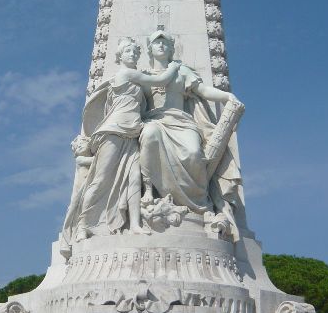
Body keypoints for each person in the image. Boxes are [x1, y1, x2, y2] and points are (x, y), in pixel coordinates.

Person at [61, 38, 180, 251]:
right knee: (100, 179)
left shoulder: (137, 82)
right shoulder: (124, 74)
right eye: (127, 51)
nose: (132, 54)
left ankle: (134, 224)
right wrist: (174, 66)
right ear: (119, 56)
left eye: (135, 51)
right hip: (114, 131)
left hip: (132, 133)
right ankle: (82, 225)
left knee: (134, 178)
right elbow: (161, 80)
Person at [139, 29, 242, 224]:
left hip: (182, 122)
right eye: (156, 43)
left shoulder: (181, 70)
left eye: (165, 43)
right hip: (155, 120)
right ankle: (148, 192)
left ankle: (198, 202)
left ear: (171, 49)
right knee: (149, 134)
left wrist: (227, 96)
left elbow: (202, 90)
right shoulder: (143, 75)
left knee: (194, 152)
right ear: (149, 49)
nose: (161, 46)